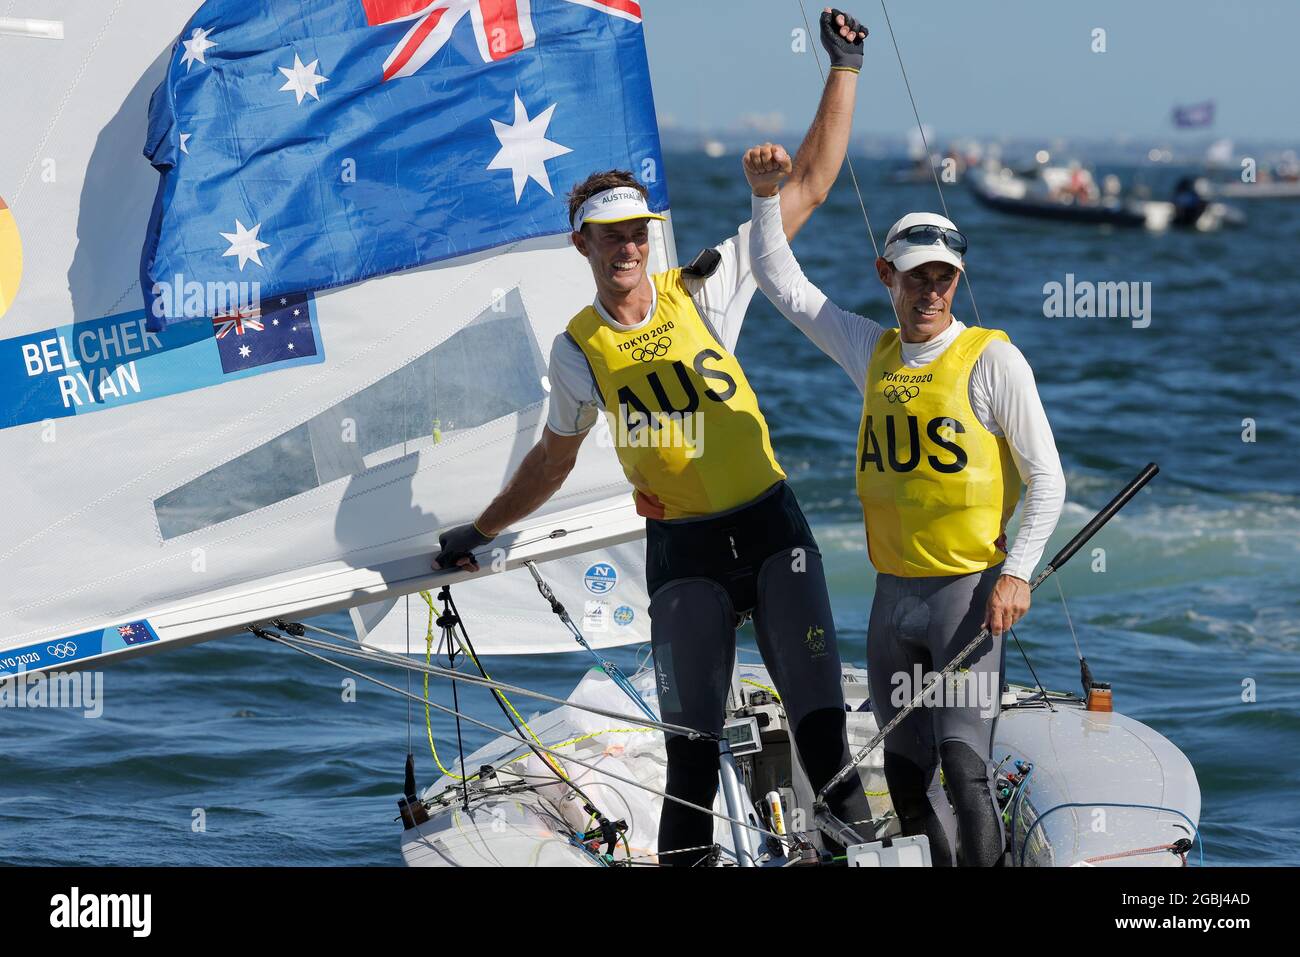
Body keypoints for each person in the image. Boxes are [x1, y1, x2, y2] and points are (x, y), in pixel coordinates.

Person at [434, 10, 873, 866]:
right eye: (611, 235)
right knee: (690, 764)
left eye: (638, 231)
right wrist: (483, 531)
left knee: (825, 738)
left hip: (774, 530)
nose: (629, 246)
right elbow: (554, 459)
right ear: (582, 243)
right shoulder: (577, 350)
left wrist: (845, 64)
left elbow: (813, 185)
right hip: (684, 554)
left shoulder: (706, 286)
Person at [743, 143, 1066, 866]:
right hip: (894, 602)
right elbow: (782, 284)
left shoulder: (992, 359)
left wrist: (1016, 574)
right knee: (905, 774)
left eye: (944, 278)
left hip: (966, 599)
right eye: (917, 277)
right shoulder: (872, 350)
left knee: (966, 769)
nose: (931, 292)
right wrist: (768, 196)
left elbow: (1049, 479)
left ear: (957, 279)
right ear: (886, 275)